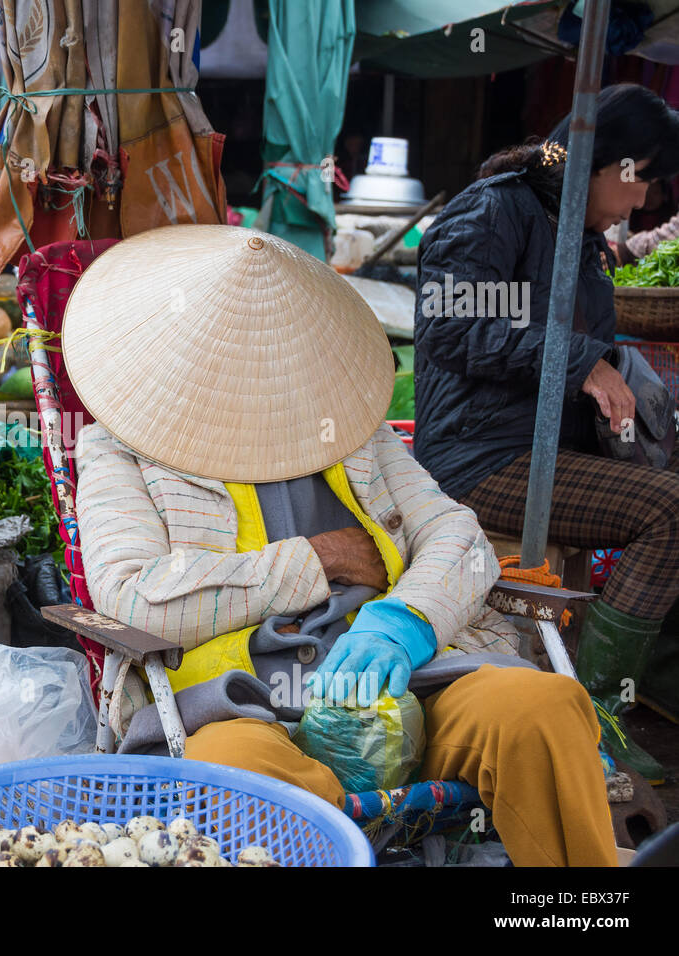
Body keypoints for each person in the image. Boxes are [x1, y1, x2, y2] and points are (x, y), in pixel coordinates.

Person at [70, 224, 616, 867]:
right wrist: (319, 558)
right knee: (242, 780)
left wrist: (401, 621)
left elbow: (459, 539)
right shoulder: (119, 446)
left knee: (541, 707)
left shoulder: (353, 431)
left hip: (403, 684)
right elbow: (133, 596)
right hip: (240, 707)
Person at [414, 84, 679, 784]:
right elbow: (450, 328)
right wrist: (579, 360)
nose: (646, 202)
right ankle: (592, 718)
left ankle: (636, 693)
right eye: (645, 180)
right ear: (610, 165)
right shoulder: (497, 210)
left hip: (542, 451)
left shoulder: (580, 232)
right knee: (670, 512)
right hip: (479, 456)